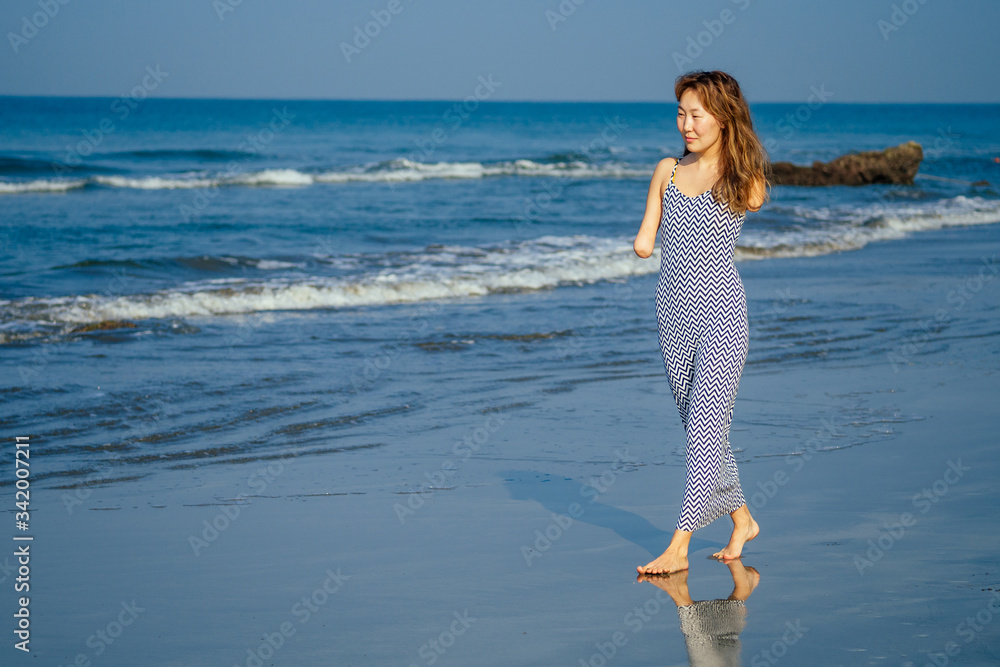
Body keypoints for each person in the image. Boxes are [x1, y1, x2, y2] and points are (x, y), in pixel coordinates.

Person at [633, 70, 769, 575]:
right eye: (681, 113)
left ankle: (679, 544)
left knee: (703, 434)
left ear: (724, 118)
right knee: (705, 430)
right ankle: (744, 520)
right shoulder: (667, 170)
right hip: (672, 314)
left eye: (697, 114)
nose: (685, 123)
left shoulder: (739, 178)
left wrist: (729, 159)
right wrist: (646, 237)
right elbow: (646, 236)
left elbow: (753, 197)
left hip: (723, 316)